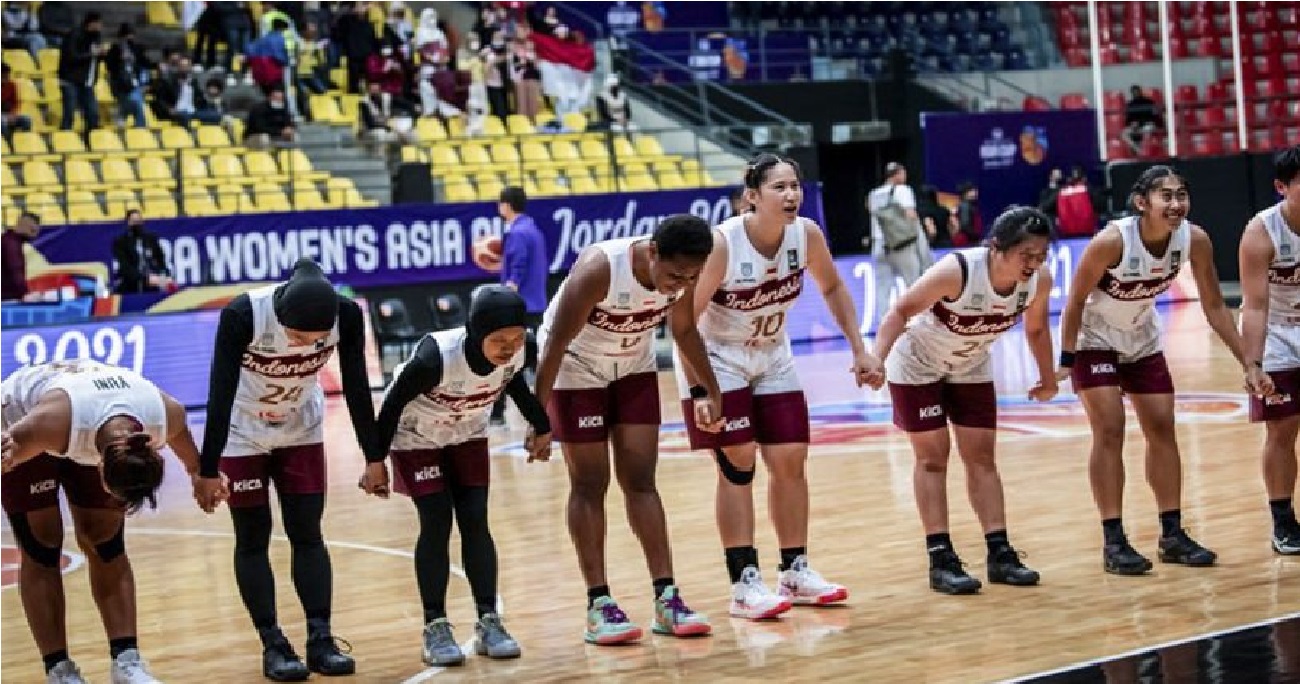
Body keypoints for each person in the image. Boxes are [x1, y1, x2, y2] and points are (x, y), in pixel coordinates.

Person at [684, 154, 884, 619]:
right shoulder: (723, 244)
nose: (792, 194)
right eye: (779, 187)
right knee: (738, 461)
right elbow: (684, 321)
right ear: (752, 197)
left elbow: (833, 288)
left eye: (795, 185)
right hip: (719, 358)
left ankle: (795, 569)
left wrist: (860, 348)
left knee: (791, 457)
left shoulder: (806, 234)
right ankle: (742, 583)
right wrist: (700, 389)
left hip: (773, 353)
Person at [1056, 165, 1271, 575]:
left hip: (1141, 338)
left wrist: (1249, 360)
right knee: (1110, 428)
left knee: (1161, 427)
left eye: (1181, 195)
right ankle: (1113, 539)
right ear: (1142, 203)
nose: (1176, 204)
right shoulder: (1112, 241)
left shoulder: (1195, 239)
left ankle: (1172, 534)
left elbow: (1213, 306)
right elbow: (1075, 302)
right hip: (1094, 339)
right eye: (1166, 196)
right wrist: (1067, 361)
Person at [532, 214, 725, 645]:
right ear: (652, 251)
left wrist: (711, 389)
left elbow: (684, 330)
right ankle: (598, 604)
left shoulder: (683, 273)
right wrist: (538, 416)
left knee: (641, 480)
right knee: (590, 483)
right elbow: (555, 343)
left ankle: (667, 598)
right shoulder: (600, 269)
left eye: (690, 278)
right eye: (675, 275)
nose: (680, 285)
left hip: (633, 366)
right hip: (576, 369)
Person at [193, 258, 379, 680]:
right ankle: (273, 642)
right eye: (296, 336)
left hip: (300, 428)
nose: (303, 345)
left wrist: (374, 456)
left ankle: (321, 637)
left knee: (308, 533)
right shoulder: (243, 314)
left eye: (314, 341)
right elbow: (218, 392)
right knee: (253, 535)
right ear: (280, 317)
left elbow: (355, 386)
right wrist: (206, 469)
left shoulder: (345, 315)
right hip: (243, 431)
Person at [2, 358, 220, 684]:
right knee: (41, 544)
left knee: (105, 540)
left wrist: (201, 475)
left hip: (90, 414)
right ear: (99, 469)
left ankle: (126, 662)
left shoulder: (165, 414)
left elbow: (194, 461)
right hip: (24, 416)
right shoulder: (48, 425)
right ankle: (59, 670)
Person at [363, 287, 550, 665]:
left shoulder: (516, 351)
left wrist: (542, 426)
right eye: (498, 340)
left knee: (476, 520)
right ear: (476, 332)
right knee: (436, 522)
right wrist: (375, 461)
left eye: (516, 339)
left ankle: (488, 620)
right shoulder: (435, 359)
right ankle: (435, 626)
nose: (508, 347)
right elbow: (392, 404)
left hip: (466, 432)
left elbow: (512, 383)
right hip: (416, 436)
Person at [874, 206, 1056, 594]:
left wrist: (1046, 377)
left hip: (970, 363)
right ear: (997, 248)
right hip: (918, 362)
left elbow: (1037, 328)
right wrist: (875, 359)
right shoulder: (958, 270)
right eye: (1026, 254)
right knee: (933, 458)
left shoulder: (1038, 282)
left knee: (982, 457)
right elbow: (901, 310)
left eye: (1041, 255)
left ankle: (999, 552)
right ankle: (940, 557)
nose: (1034, 263)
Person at [1238, 145, 1300, 555]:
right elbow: (1255, 306)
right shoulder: (1262, 232)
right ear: (1282, 187)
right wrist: (1253, 362)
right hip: (1278, 331)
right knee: (1282, 429)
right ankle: (1283, 521)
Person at [488, 186, 546, 425]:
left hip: (519, 303)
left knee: (505, 358)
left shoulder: (517, 233)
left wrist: (510, 286)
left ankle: (498, 413)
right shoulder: (533, 229)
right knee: (533, 356)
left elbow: (519, 265)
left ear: (506, 205)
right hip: (535, 301)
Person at [866, 162, 930, 331]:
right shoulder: (903, 190)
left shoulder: (873, 194)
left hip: (879, 244)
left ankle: (884, 326)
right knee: (914, 283)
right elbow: (910, 215)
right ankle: (918, 322)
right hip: (902, 245)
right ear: (898, 174)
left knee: (883, 287)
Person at [111, 210, 173, 295]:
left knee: (171, 285)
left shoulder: (151, 239)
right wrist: (145, 278)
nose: (137, 223)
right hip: (131, 280)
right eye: (134, 221)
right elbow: (125, 267)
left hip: (153, 278)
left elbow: (160, 260)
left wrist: (165, 275)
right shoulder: (121, 242)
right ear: (128, 222)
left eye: (139, 220)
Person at [2, 211, 40, 301]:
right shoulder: (11, 244)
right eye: (33, 230)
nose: (35, 233)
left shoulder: (8, 240)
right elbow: (15, 269)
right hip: (7, 299)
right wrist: (24, 294)